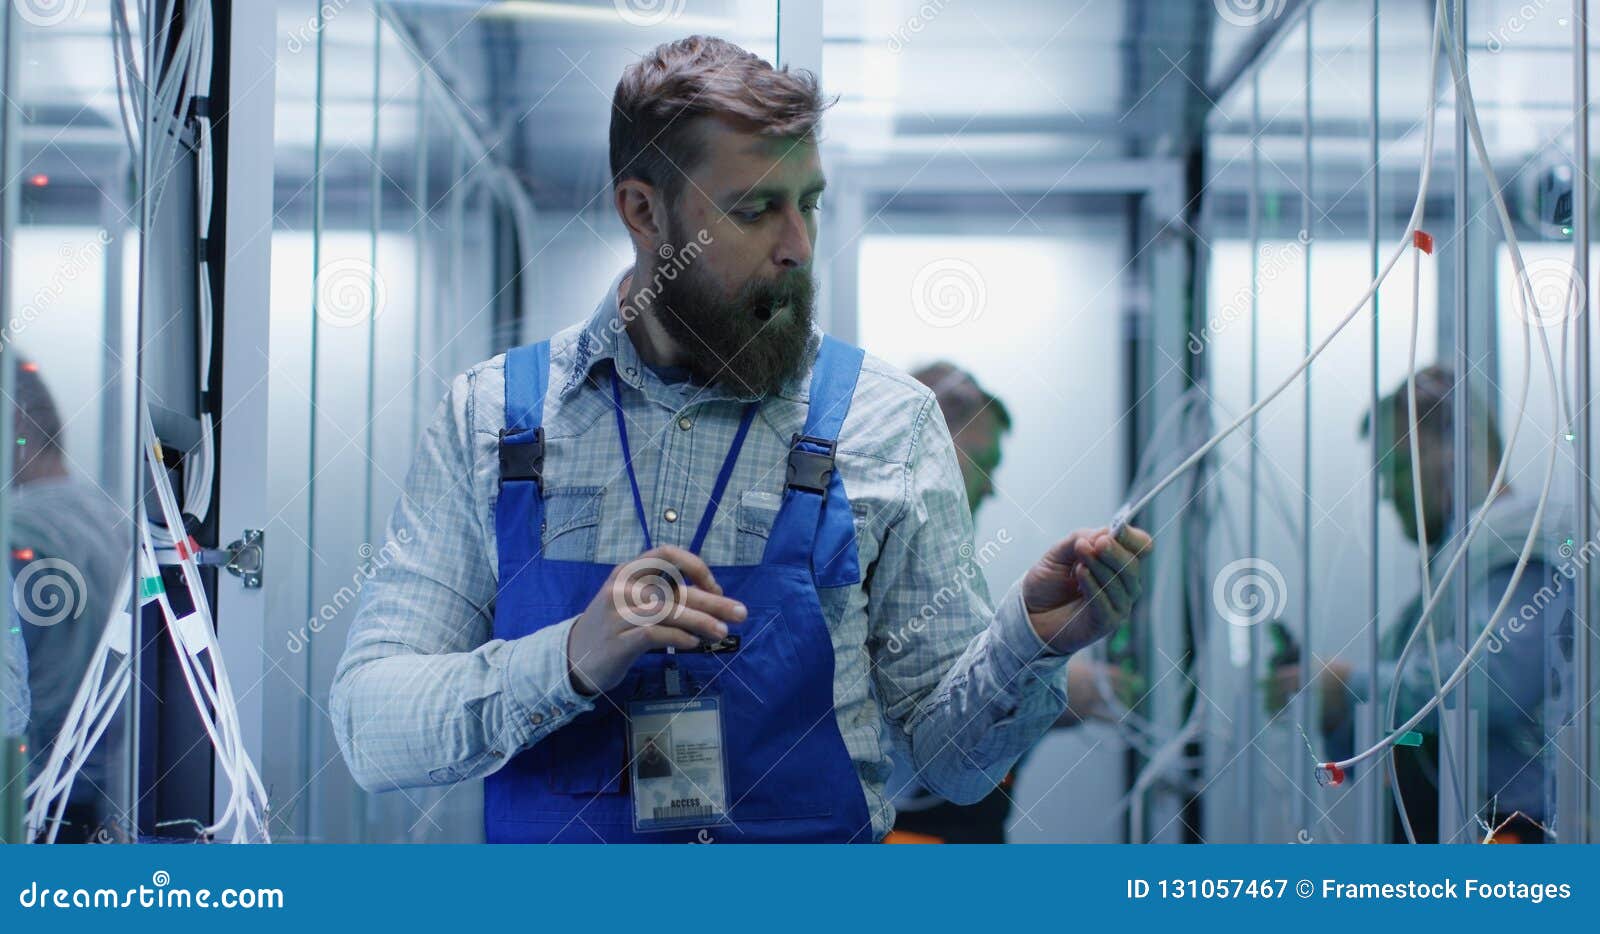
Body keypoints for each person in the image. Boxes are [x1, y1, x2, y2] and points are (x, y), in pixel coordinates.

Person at [331, 35, 1151, 843]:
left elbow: (949, 765)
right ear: (644, 211)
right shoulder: (493, 419)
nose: (797, 246)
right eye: (754, 209)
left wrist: (1030, 643)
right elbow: (370, 727)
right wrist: (573, 656)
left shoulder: (886, 423)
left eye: (809, 202)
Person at [1267, 366, 1569, 842]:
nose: (1389, 494)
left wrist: (1349, 686)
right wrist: (1334, 707)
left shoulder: (1518, 540)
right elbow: (1408, 738)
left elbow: (1495, 681)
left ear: (1458, 450)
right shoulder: (1448, 581)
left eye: (1399, 468)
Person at [884, 362, 1129, 843]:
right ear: (924, 448)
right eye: (984, 464)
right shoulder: (854, 569)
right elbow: (902, 760)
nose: (991, 489)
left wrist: (1038, 671)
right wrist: (1042, 675)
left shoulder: (948, 583)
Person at [9, 358, 132, 843]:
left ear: (15, 423)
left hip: (33, 808)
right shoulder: (110, 518)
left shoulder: (21, 535)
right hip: (101, 804)